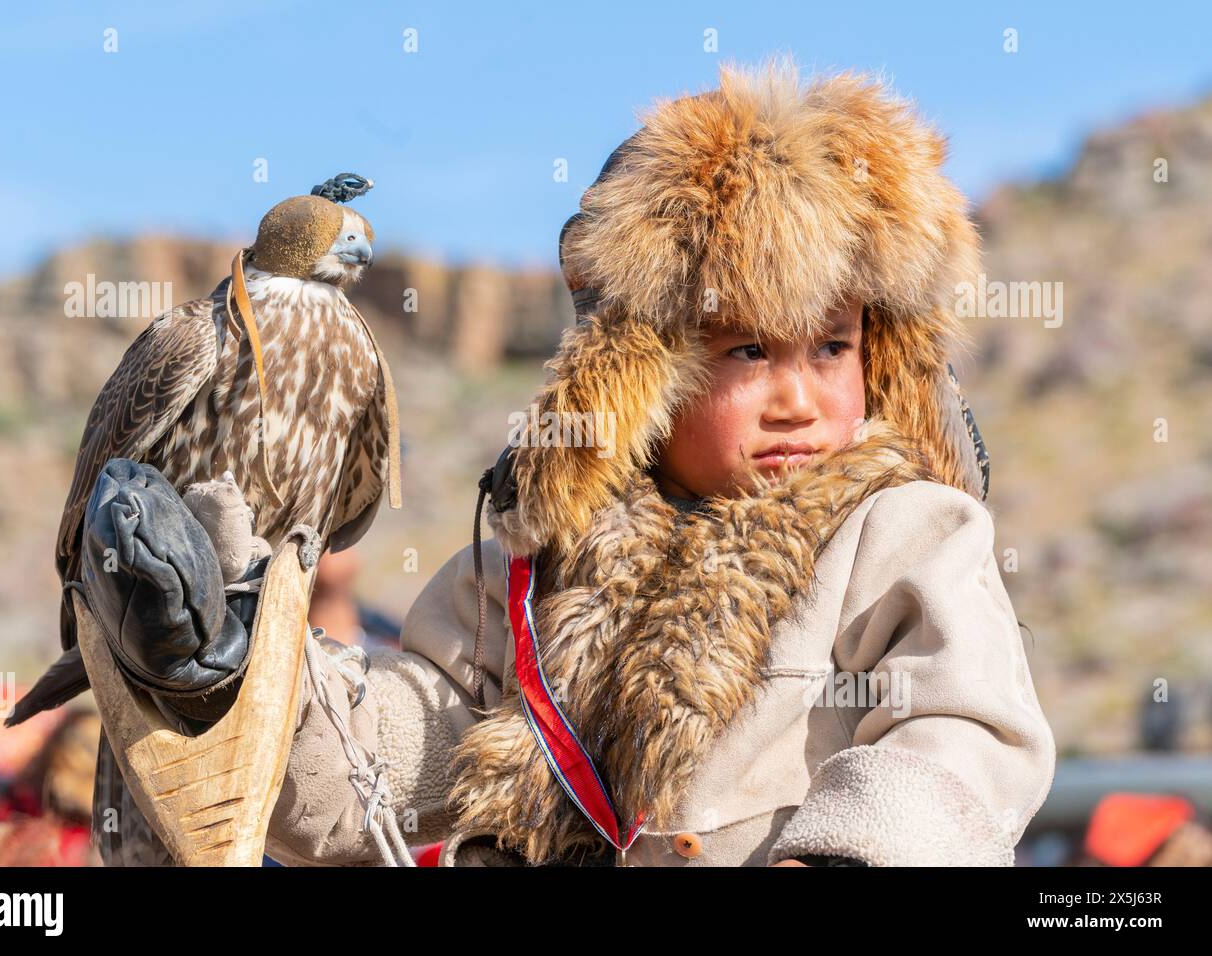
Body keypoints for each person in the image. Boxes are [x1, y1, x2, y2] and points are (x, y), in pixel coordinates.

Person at [114, 59, 1059, 867]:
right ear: (639, 370)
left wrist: (852, 858)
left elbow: (964, 732)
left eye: (831, 348)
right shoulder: (528, 575)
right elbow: (399, 752)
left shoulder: (904, 533)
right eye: (744, 351)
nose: (797, 399)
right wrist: (236, 677)